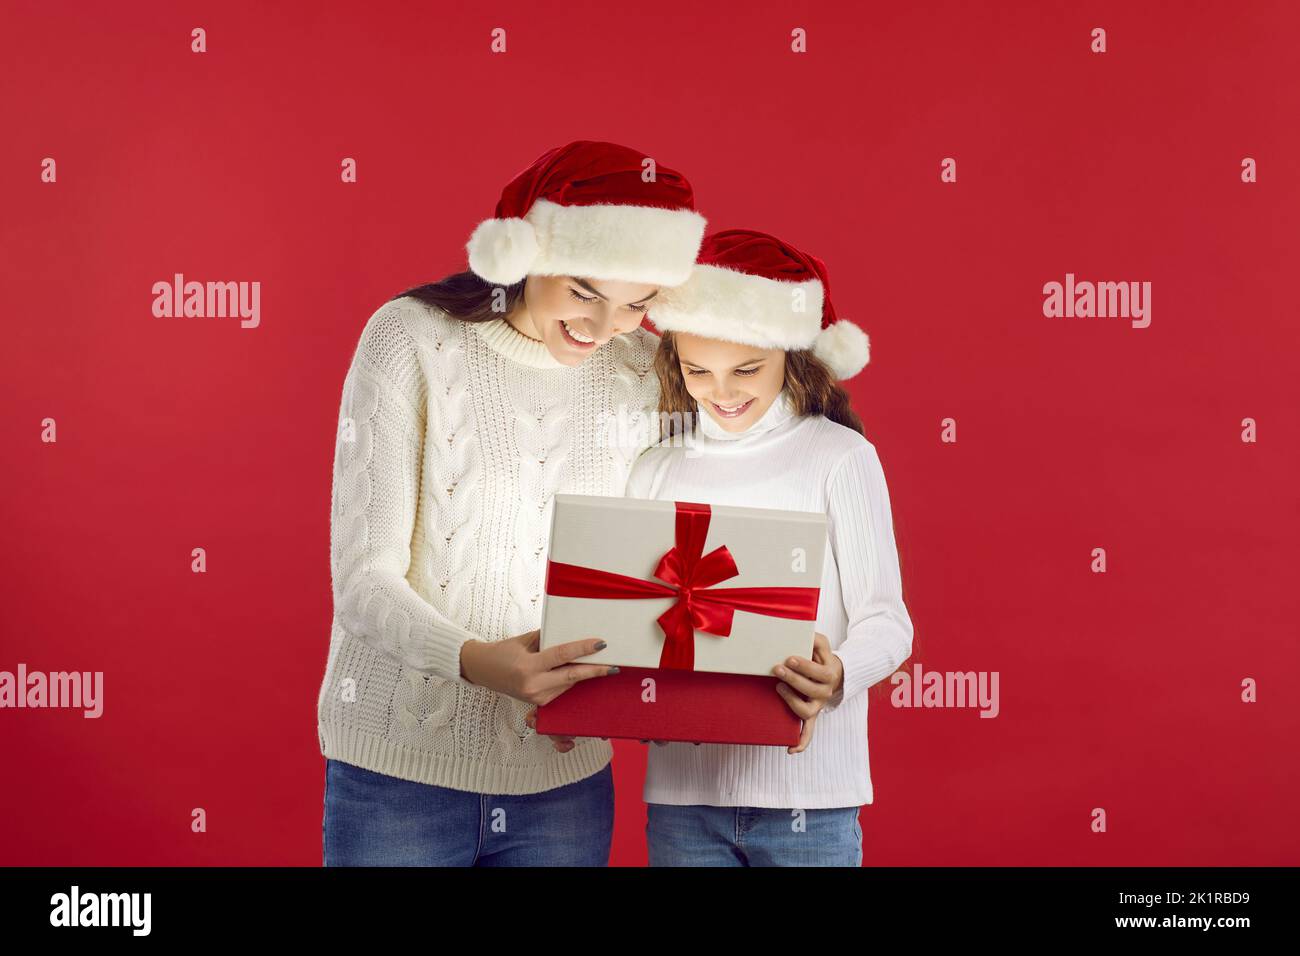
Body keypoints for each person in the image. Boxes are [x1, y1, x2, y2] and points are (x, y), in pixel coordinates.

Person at [318, 141, 706, 866]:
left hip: (563, 781)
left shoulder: (643, 375)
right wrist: (474, 661)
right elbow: (363, 581)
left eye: (637, 304)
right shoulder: (410, 338)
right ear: (523, 252)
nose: (603, 326)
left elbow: (663, 573)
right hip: (399, 772)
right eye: (584, 291)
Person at [628, 228, 913, 865]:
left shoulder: (839, 457)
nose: (721, 393)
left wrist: (838, 672)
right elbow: (635, 619)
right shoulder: (656, 468)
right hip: (684, 797)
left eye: (746, 370)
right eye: (697, 370)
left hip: (810, 797)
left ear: (792, 352)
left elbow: (886, 620)